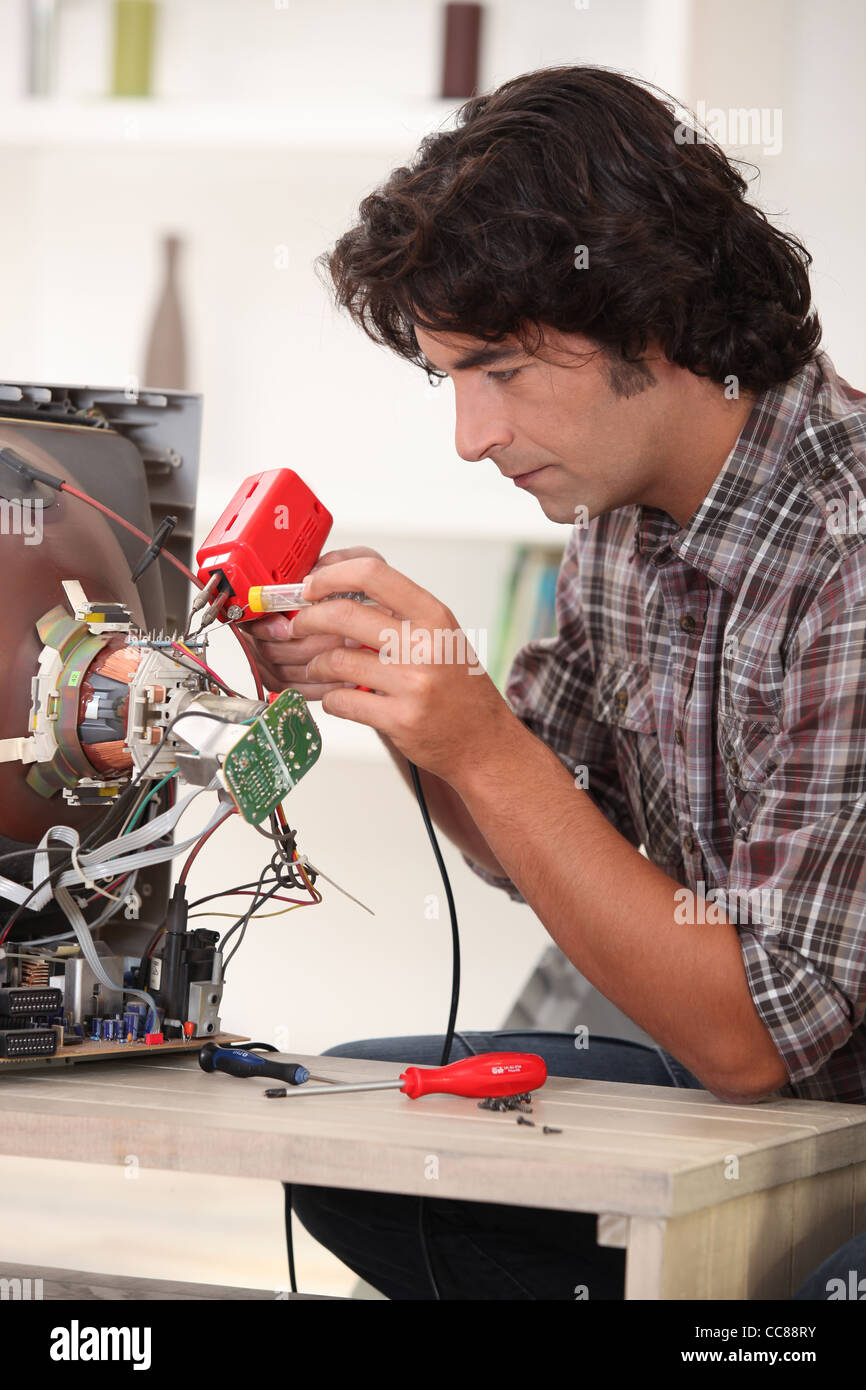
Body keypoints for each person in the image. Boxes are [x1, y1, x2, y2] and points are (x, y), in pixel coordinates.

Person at [248, 65, 866, 1299]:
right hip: (746, 1093)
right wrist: (396, 696)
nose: (471, 437)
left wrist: (479, 744)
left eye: (500, 371)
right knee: (354, 1134)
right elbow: (526, 833)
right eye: (449, 381)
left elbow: (755, 1041)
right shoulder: (617, 516)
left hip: (810, 1102)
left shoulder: (845, 552)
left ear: (650, 315)